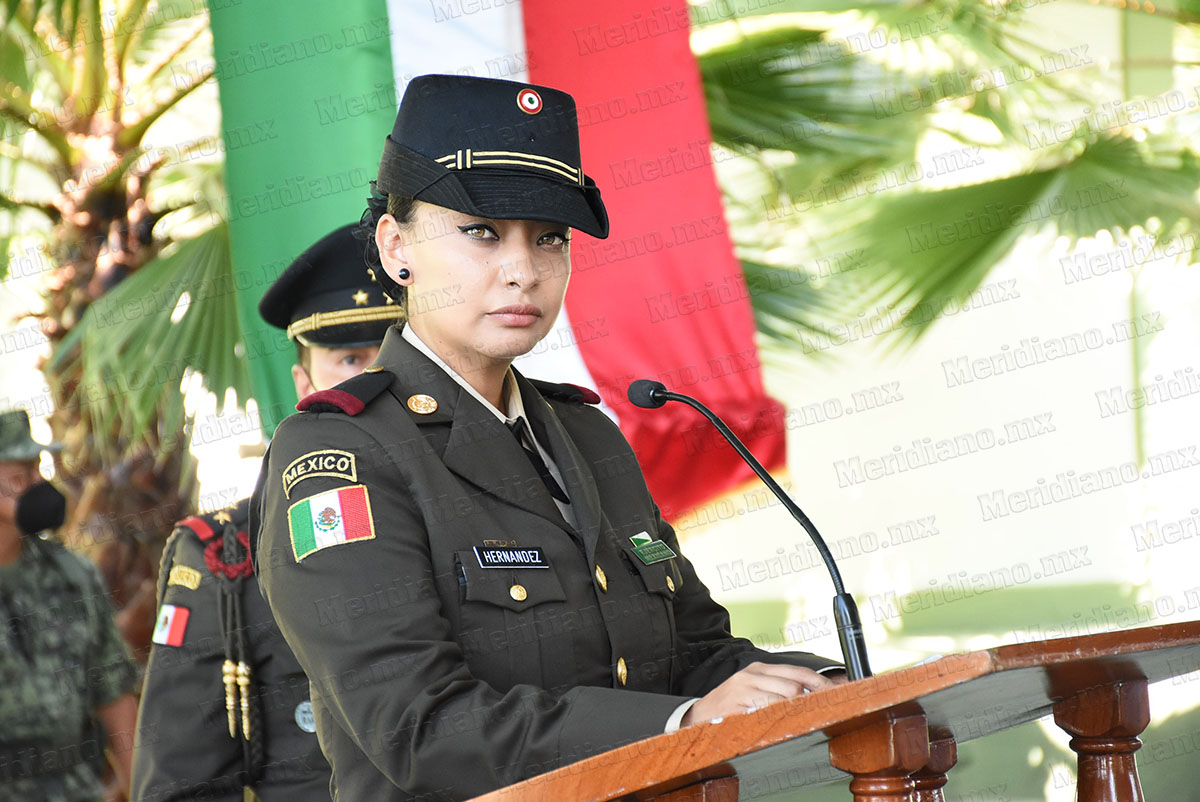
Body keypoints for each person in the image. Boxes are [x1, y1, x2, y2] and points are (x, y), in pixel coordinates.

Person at [250, 75, 844, 801]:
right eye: (482, 233)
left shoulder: (586, 432)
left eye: (550, 239)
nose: (524, 271)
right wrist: (681, 724)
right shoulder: (338, 454)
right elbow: (416, 724)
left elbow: (692, 651)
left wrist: (825, 687)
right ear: (396, 246)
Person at [130, 225, 404, 801]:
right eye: (348, 358)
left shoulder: (486, 510)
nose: (375, 381)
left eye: (394, 353)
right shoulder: (224, 554)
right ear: (305, 385)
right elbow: (182, 785)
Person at [0, 408, 139, 801]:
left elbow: (113, 691)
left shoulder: (73, 576)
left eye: (37, 469)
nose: (38, 484)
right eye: (20, 475)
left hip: (73, 788)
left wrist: (140, 788)